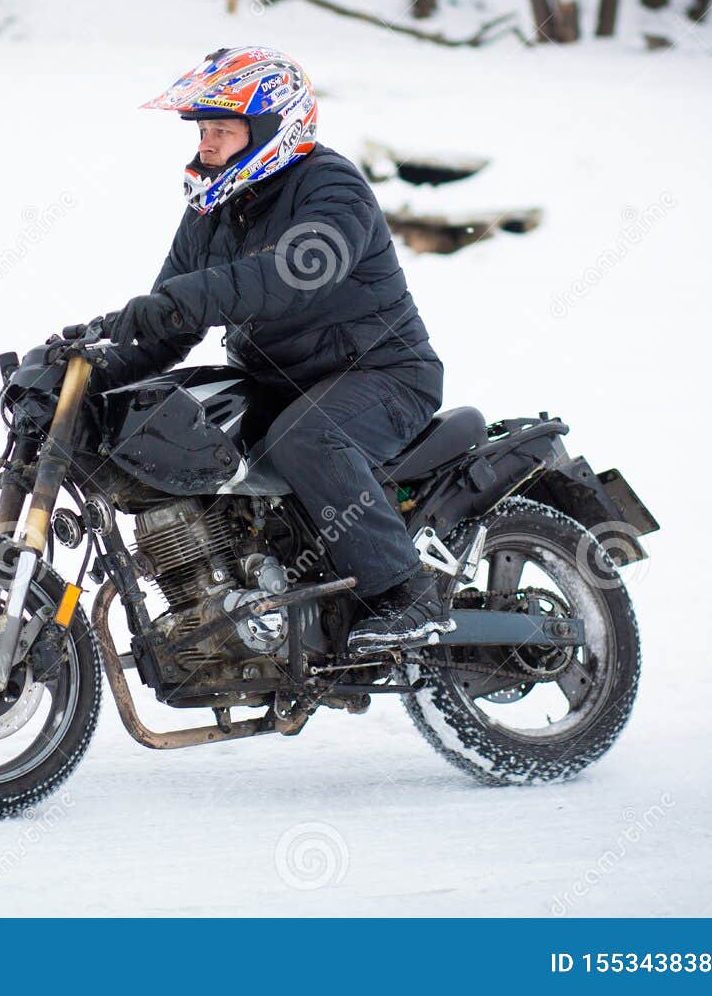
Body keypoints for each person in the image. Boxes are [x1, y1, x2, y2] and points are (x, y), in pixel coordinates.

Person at [92, 46, 452, 654]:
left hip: (384, 376)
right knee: (168, 419)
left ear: (273, 127)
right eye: (203, 130)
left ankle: (407, 593)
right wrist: (89, 369)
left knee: (306, 438)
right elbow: (170, 325)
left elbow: (291, 273)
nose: (206, 146)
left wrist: (182, 300)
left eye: (222, 130)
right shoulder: (210, 208)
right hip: (279, 382)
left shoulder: (333, 187)